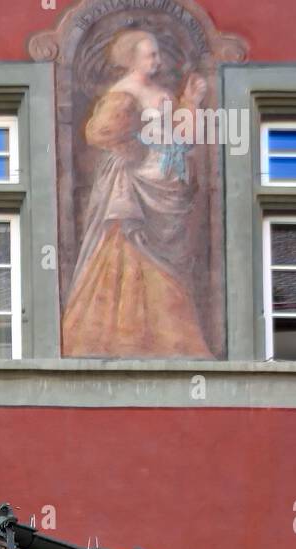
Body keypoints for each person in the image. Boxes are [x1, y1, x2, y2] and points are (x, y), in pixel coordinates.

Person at [62, 28, 212, 358]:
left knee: (168, 267)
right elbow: (99, 133)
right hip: (133, 184)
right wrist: (134, 148)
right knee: (125, 250)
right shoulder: (123, 93)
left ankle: (167, 341)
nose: (157, 60)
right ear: (131, 59)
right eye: (150, 54)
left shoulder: (163, 94)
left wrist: (193, 102)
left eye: (158, 53)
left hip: (166, 179)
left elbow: (182, 136)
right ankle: (121, 338)